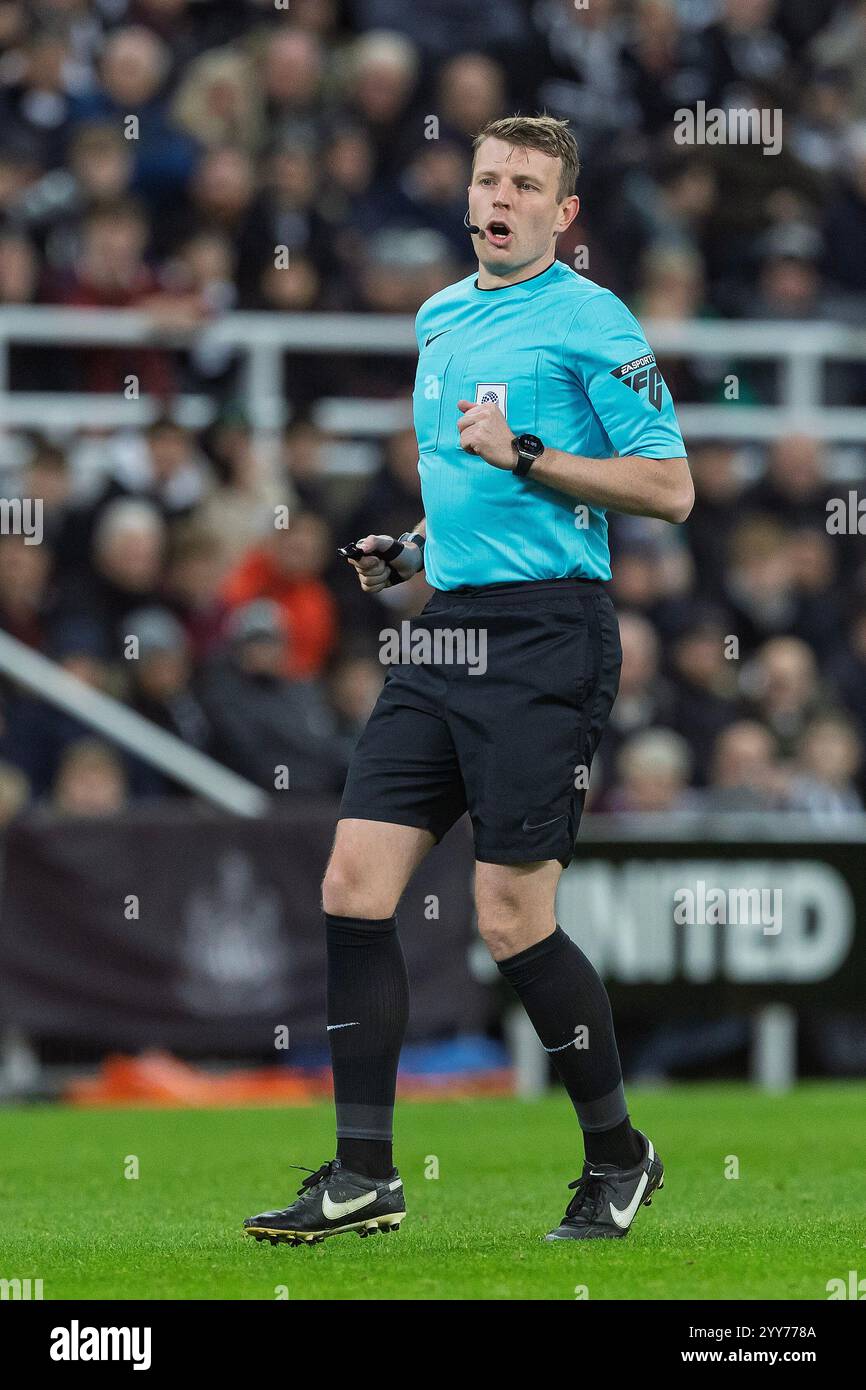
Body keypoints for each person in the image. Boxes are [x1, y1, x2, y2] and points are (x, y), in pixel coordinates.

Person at [244, 113, 692, 1247]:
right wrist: (413, 555)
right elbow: (468, 500)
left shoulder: (594, 321)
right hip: (447, 629)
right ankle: (362, 1174)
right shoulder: (439, 315)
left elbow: (670, 488)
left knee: (508, 916)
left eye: (524, 185)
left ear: (562, 212)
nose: (498, 197)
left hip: (549, 635)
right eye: (486, 177)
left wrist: (528, 456)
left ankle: (619, 1156)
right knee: (352, 883)